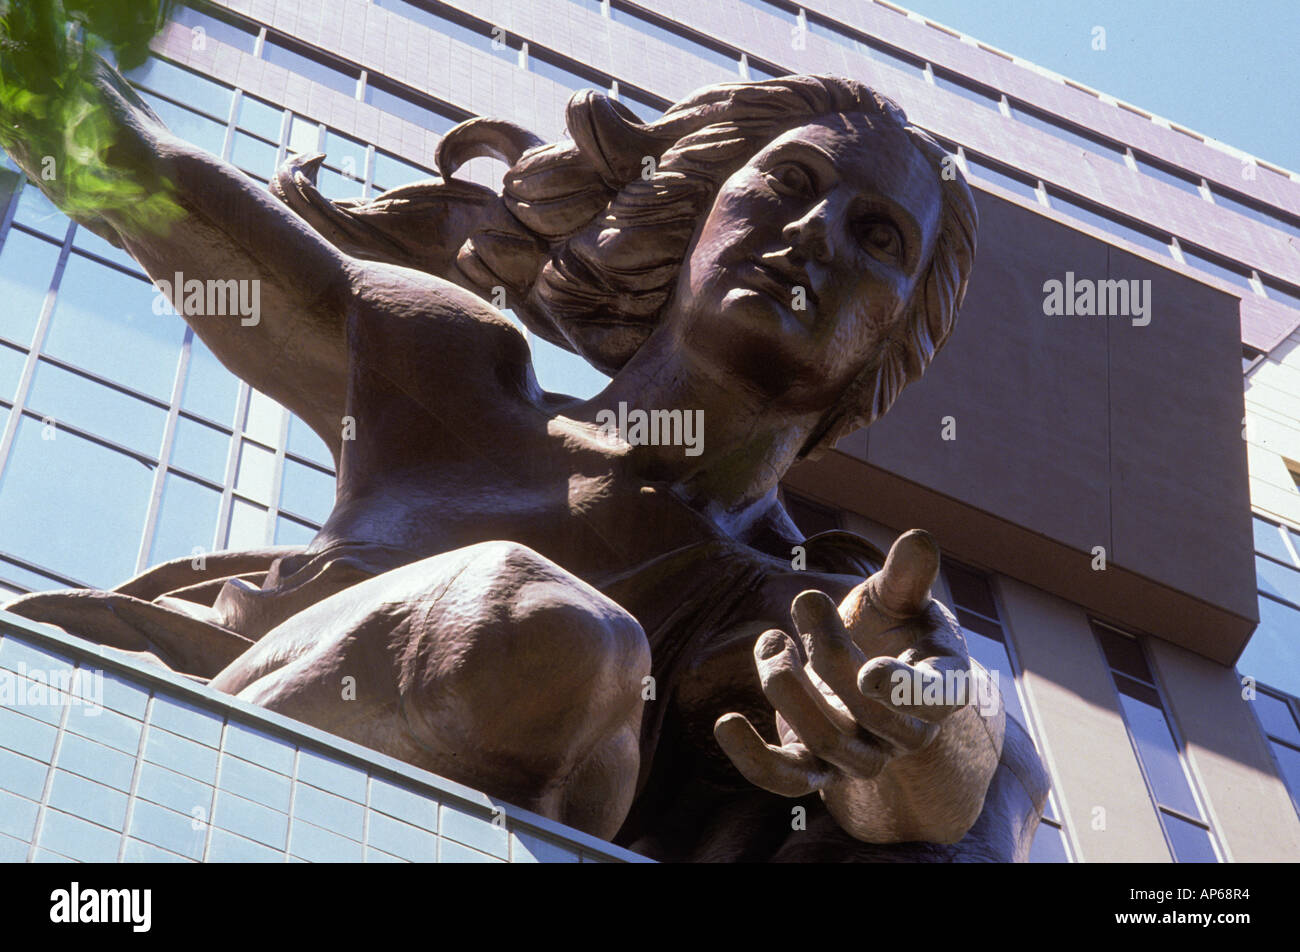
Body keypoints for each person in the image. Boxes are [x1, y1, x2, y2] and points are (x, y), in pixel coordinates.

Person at [1, 43, 1048, 859]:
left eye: (876, 237)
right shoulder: (456, 375)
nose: (818, 232)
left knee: (981, 771)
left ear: (887, 343)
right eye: (790, 185)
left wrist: (920, 719)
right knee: (543, 625)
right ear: (694, 214)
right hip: (169, 776)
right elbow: (162, 191)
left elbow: (958, 782)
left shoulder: (787, 608)